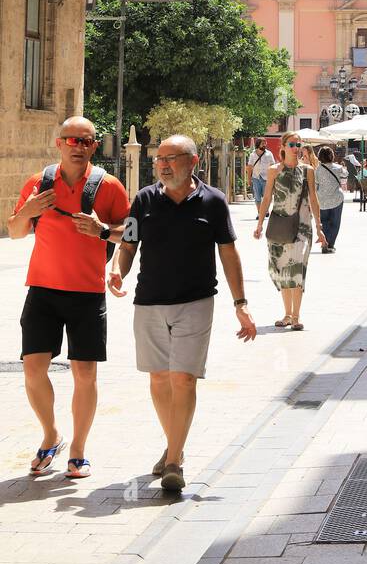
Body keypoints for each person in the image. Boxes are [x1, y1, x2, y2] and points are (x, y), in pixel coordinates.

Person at [107, 134, 255, 492]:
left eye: (171, 158)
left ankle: (173, 461)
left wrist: (241, 304)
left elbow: (229, 254)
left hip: (196, 301)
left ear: (193, 161)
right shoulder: (142, 199)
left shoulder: (214, 201)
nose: (163, 164)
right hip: (149, 301)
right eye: (160, 159)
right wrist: (117, 269)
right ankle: (175, 444)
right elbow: (128, 244)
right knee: (158, 378)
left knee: (183, 379)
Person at [8, 118, 130, 480]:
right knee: (33, 369)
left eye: (86, 141)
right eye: (71, 140)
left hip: (87, 293)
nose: (78, 145)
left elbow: (133, 231)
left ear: (94, 147)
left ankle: (78, 450)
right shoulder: (38, 183)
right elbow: (15, 231)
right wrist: (27, 212)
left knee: (85, 374)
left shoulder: (108, 187)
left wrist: (102, 230)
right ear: (59, 144)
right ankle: (51, 435)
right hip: (42, 290)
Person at [254, 133, 326, 330]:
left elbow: (313, 199)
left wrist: (319, 227)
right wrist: (259, 224)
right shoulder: (273, 170)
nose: (296, 148)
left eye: (298, 144)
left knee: (296, 268)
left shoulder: (308, 170)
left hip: (302, 226)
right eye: (292, 144)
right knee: (282, 269)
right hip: (279, 225)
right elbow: (267, 198)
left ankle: (296, 316)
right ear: (283, 147)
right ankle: (286, 314)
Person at [314, 146, 347, 253]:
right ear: (332, 156)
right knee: (335, 223)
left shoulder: (317, 170)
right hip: (336, 199)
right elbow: (346, 174)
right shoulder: (338, 168)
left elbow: (315, 184)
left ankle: (325, 242)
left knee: (324, 222)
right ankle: (330, 244)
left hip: (322, 200)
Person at [246, 139, 276, 209]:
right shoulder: (252, 154)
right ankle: (259, 213)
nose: (264, 145)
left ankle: (266, 210)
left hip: (266, 178)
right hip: (256, 178)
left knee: (266, 196)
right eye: (263, 143)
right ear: (258, 144)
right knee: (257, 197)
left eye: (265, 143)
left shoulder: (269, 154)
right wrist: (249, 180)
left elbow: (273, 166)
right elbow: (249, 167)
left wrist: (273, 179)